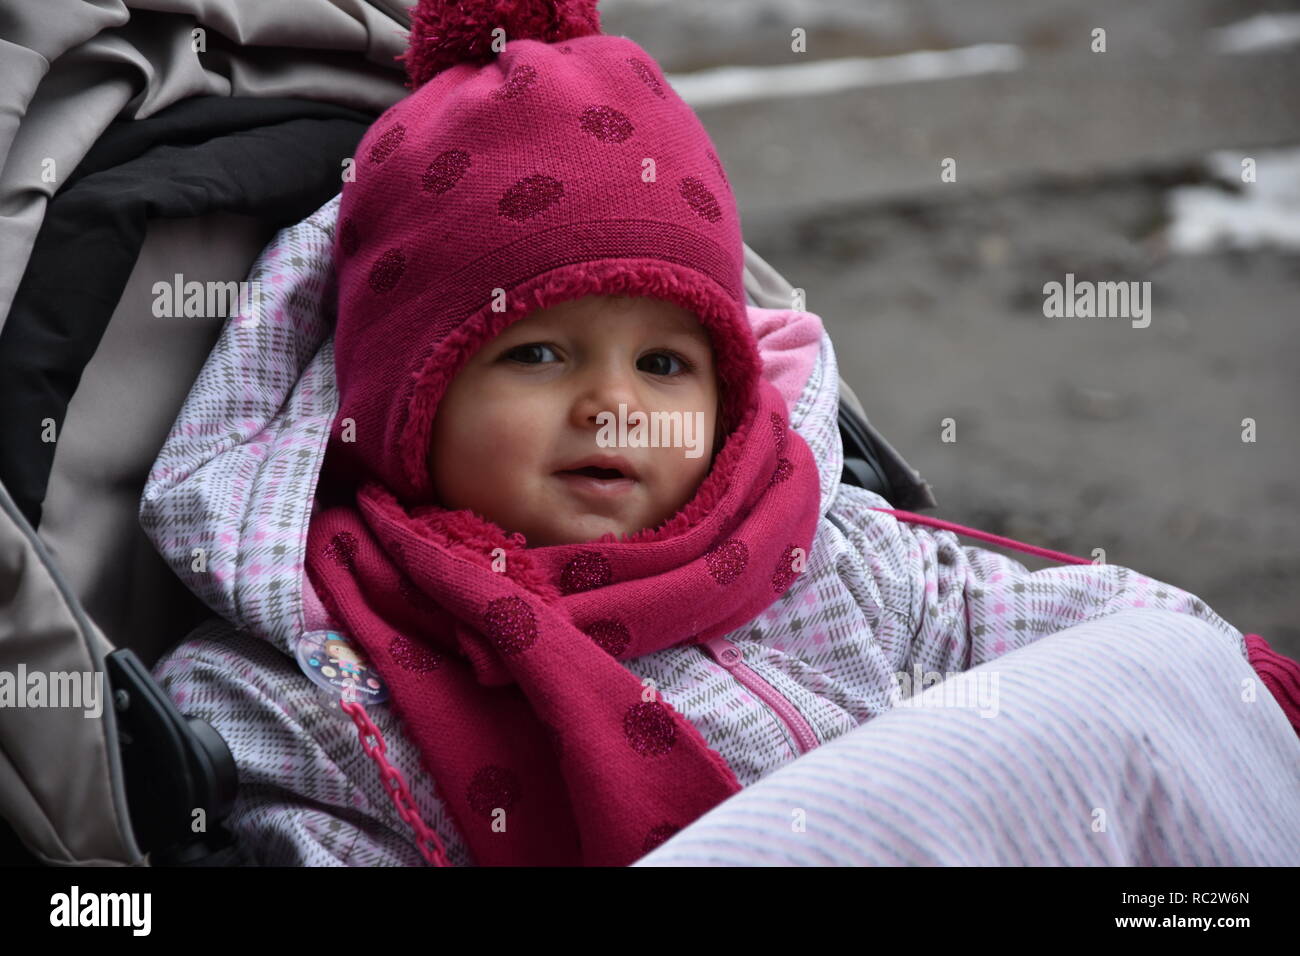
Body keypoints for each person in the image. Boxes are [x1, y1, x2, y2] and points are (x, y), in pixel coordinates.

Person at [145, 0, 1300, 867]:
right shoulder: (315, 684)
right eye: (536, 354)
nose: (615, 407)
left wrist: (1208, 687)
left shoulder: (831, 558)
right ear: (407, 397)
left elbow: (1049, 631)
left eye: (662, 362)